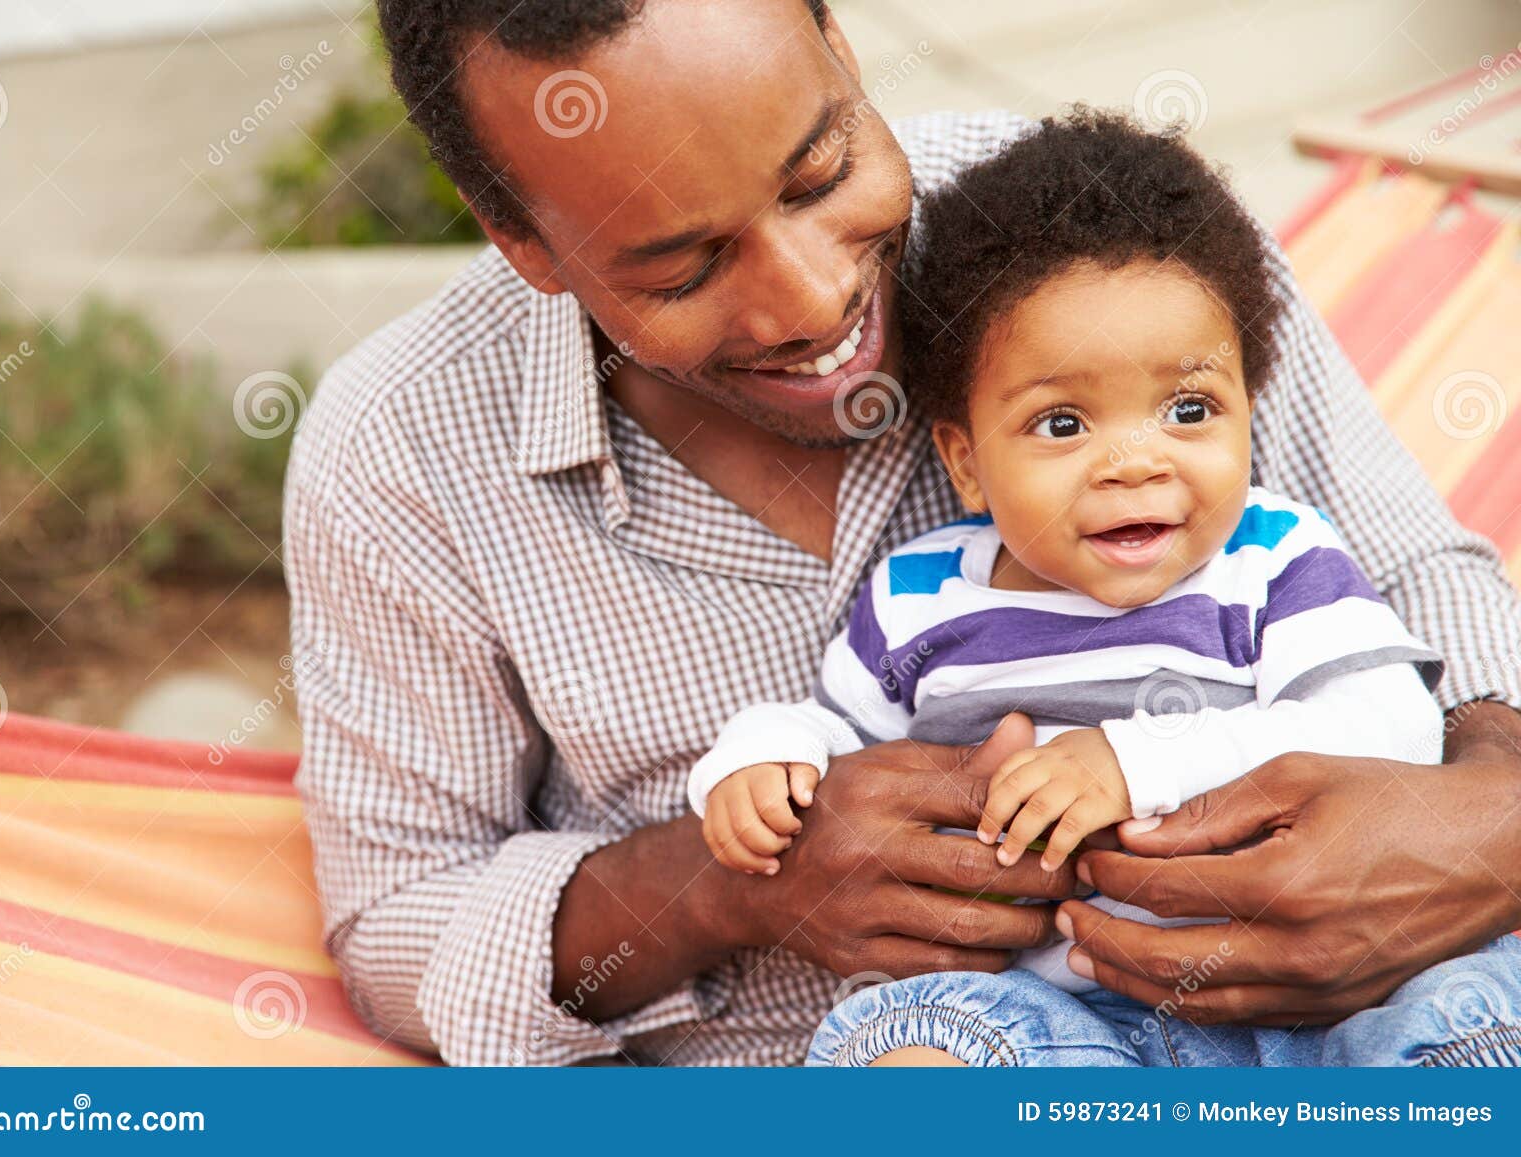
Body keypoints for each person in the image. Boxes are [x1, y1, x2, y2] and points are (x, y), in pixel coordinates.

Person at [285, 0, 1521, 1065]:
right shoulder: (402, 448)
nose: (813, 297)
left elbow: (1415, 578)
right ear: (520, 241)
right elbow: (399, 913)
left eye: (821, 177)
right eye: (681, 265)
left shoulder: (1116, 245)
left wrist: (1492, 823)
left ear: (840, 44)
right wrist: (723, 888)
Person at [690, 111, 1521, 1066]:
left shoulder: (1272, 555)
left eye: (1189, 409)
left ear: (1253, 413)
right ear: (965, 463)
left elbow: (1393, 723)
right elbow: (834, 736)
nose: (1135, 462)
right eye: (1061, 424)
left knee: (1464, 1018)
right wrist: (763, 758)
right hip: (1058, 1023)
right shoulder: (919, 597)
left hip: (1327, 999)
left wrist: (1141, 759)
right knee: (909, 1049)